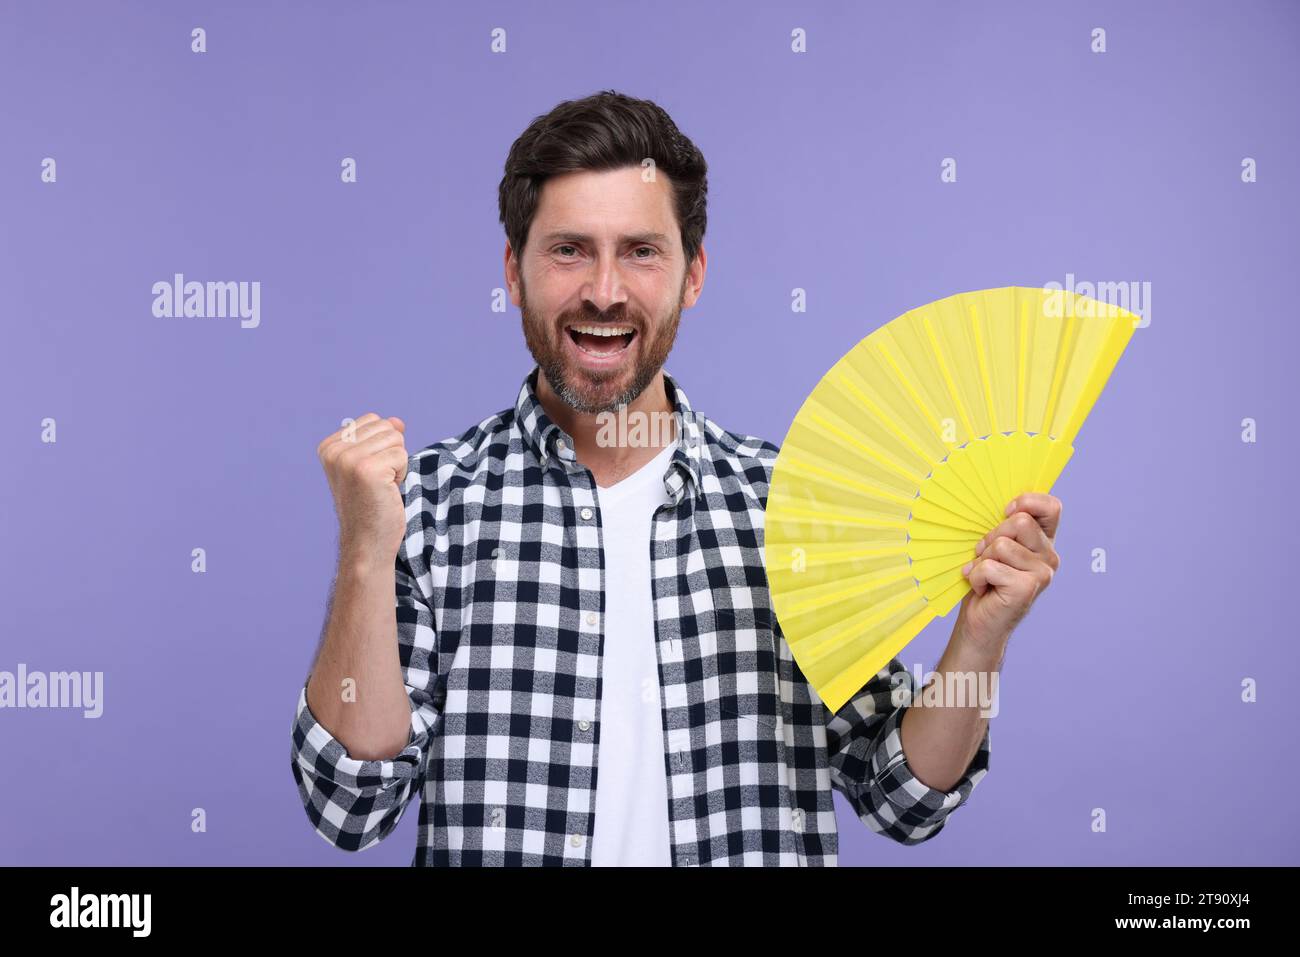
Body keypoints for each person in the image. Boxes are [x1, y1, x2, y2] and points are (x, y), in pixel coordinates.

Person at [290, 90, 1062, 866]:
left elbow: (902, 795)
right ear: (513, 273)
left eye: (641, 251)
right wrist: (364, 551)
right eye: (569, 250)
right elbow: (349, 805)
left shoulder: (791, 505)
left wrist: (981, 636)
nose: (604, 289)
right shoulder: (427, 505)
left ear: (693, 274)